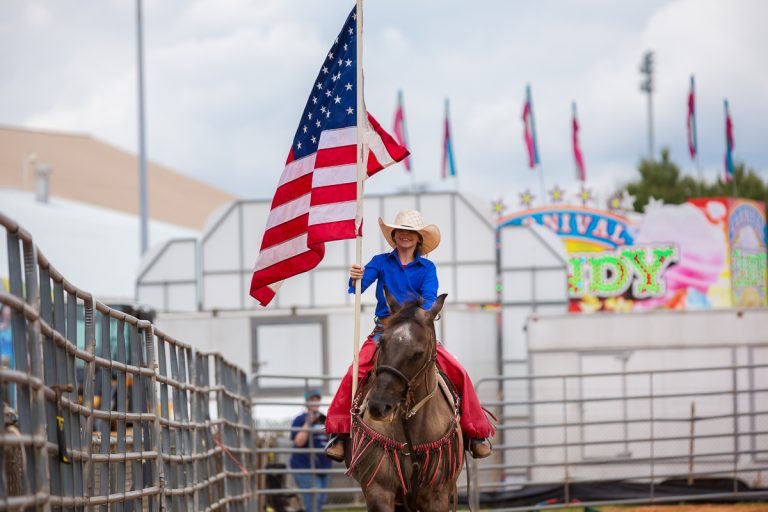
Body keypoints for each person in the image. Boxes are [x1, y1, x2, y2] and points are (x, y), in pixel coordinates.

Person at [324, 210, 494, 461]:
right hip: (385, 330)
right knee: (354, 373)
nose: (405, 235)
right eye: (400, 231)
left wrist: (418, 320)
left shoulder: (427, 268)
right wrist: (356, 277)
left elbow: (430, 297)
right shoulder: (380, 261)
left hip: (417, 330)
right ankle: (340, 434)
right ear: (394, 235)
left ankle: (473, 434)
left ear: (418, 238)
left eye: (410, 232)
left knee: (459, 372)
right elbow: (359, 286)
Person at [290, 388, 332, 512]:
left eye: (317, 399)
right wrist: (308, 422)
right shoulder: (300, 419)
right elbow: (299, 442)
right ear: (306, 402)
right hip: (305, 467)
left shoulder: (324, 418)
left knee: (320, 502)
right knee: (314, 501)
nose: (314, 402)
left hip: (324, 467)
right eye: (311, 399)